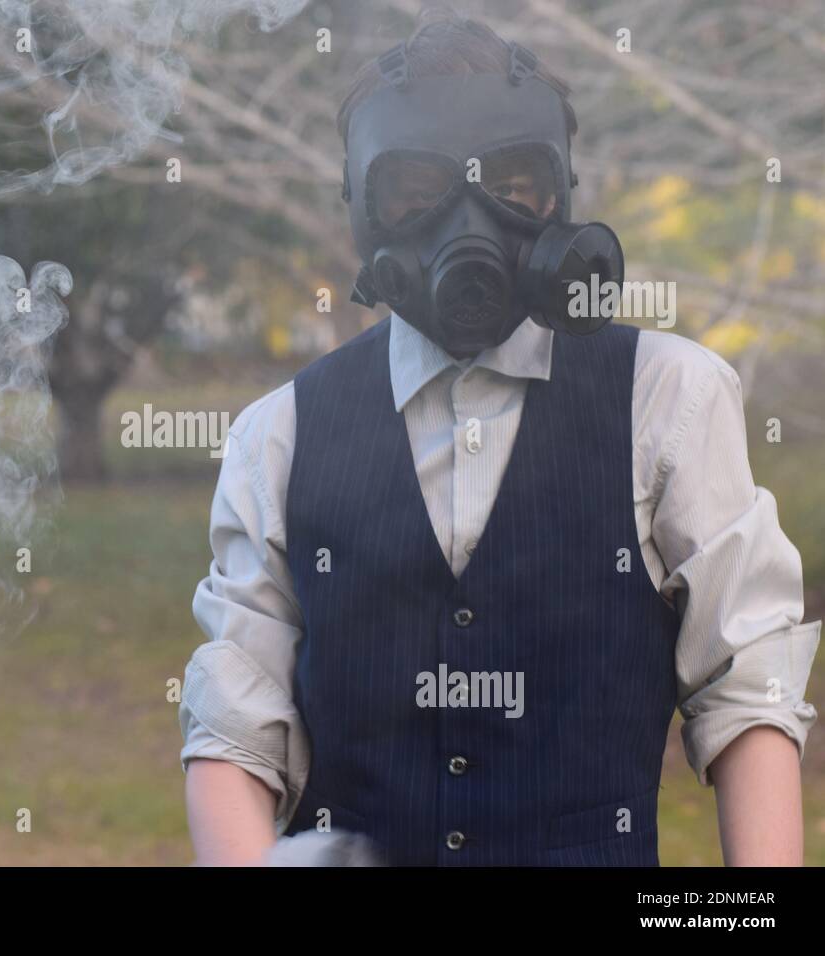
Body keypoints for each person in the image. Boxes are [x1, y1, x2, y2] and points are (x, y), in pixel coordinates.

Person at [178, 8, 819, 866]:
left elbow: (749, 689)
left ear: (563, 198)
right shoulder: (280, 436)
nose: (470, 226)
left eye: (514, 187)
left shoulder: (669, 401)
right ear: (364, 210)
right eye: (415, 192)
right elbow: (235, 727)